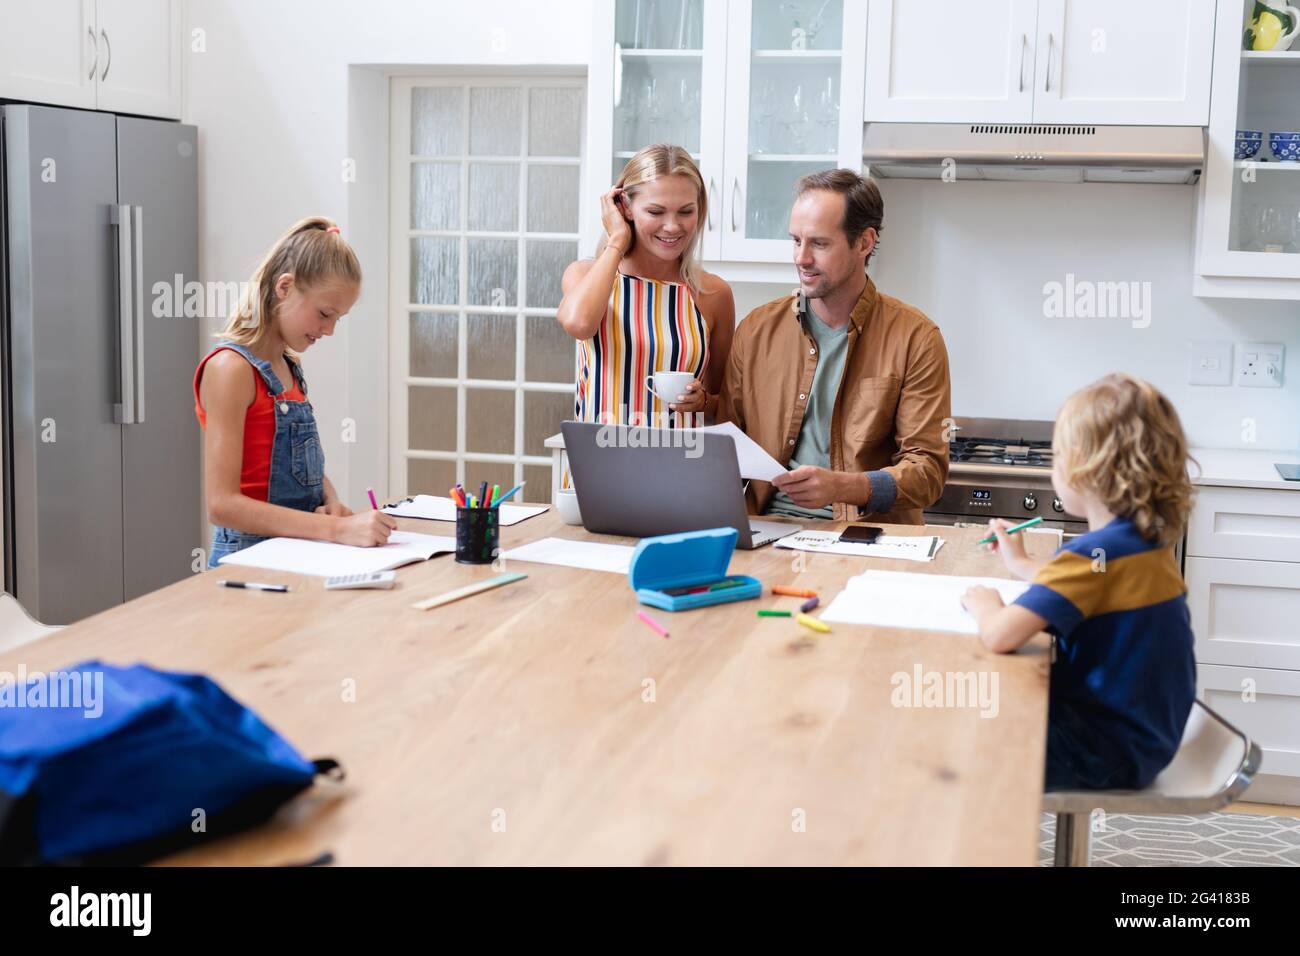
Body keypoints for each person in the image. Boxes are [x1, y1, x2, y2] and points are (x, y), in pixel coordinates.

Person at [961, 374, 1197, 790]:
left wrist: (984, 603)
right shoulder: (1144, 542)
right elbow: (1088, 590)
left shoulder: (1092, 555)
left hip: (1097, 750)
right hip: (1145, 742)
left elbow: (1000, 635)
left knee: (963, 734)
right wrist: (1022, 562)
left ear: (1086, 471)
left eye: (1056, 456)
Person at [719, 168, 950, 523]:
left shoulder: (916, 338)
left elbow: (927, 473)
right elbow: (724, 449)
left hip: (863, 537)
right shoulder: (755, 331)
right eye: (796, 240)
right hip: (765, 530)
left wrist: (844, 487)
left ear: (864, 242)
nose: (801, 257)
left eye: (819, 243)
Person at [194, 217, 396, 567]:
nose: (329, 330)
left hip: (298, 554)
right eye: (324, 314)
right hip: (247, 561)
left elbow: (297, 464)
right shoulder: (230, 370)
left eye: (338, 319)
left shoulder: (289, 367)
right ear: (284, 287)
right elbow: (221, 504)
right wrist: (336, 530)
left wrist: (329, 498)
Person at [557, 144, 735, 431]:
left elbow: (727, 404)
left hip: (681, 467)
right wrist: (616, 240)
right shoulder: (585, 275)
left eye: (686, 211)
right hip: (599, 466)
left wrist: (703, 402)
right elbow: (580, 324)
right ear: (625, 208)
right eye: (656, 211)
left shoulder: (713, 294)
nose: (672, 226)